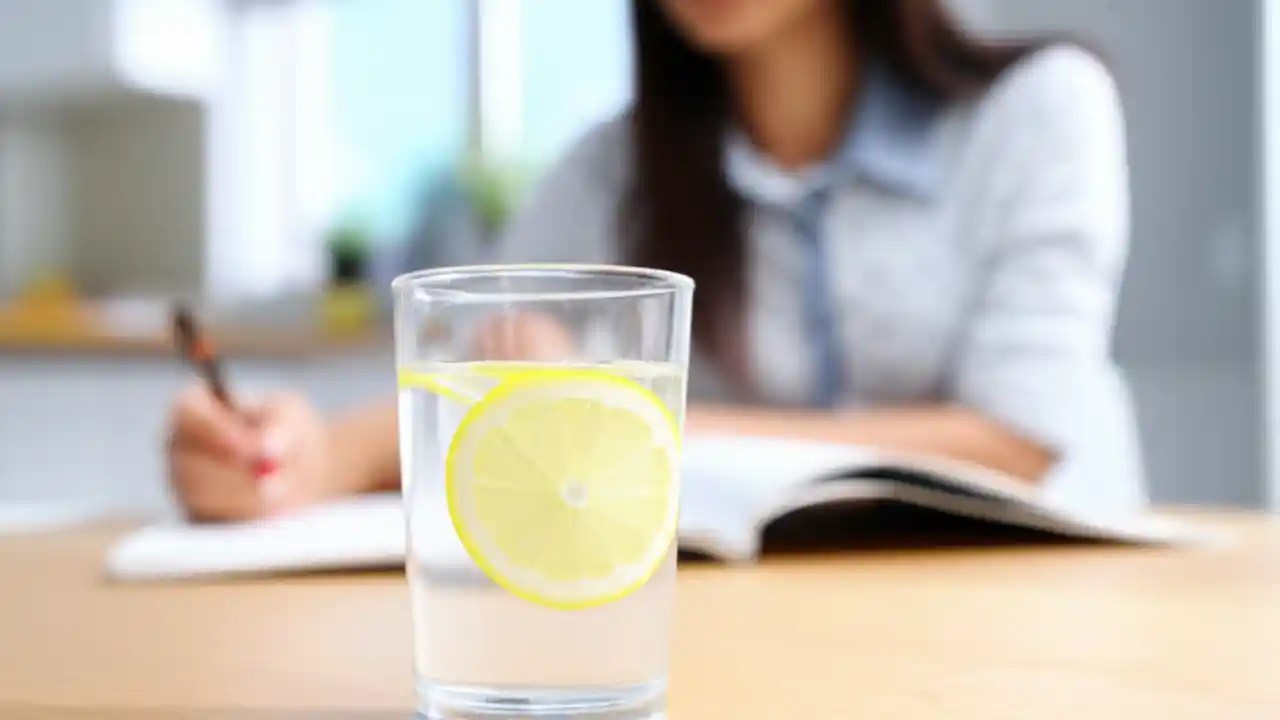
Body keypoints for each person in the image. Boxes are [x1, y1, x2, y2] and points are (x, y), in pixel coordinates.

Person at [168, 0, 1144, 521]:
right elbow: (459, 394)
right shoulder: (609, 172)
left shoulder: (1040, 109)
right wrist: (298, 457)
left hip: (1030, 622)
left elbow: (1016, 436)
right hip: (740, 631)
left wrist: (600, 405)